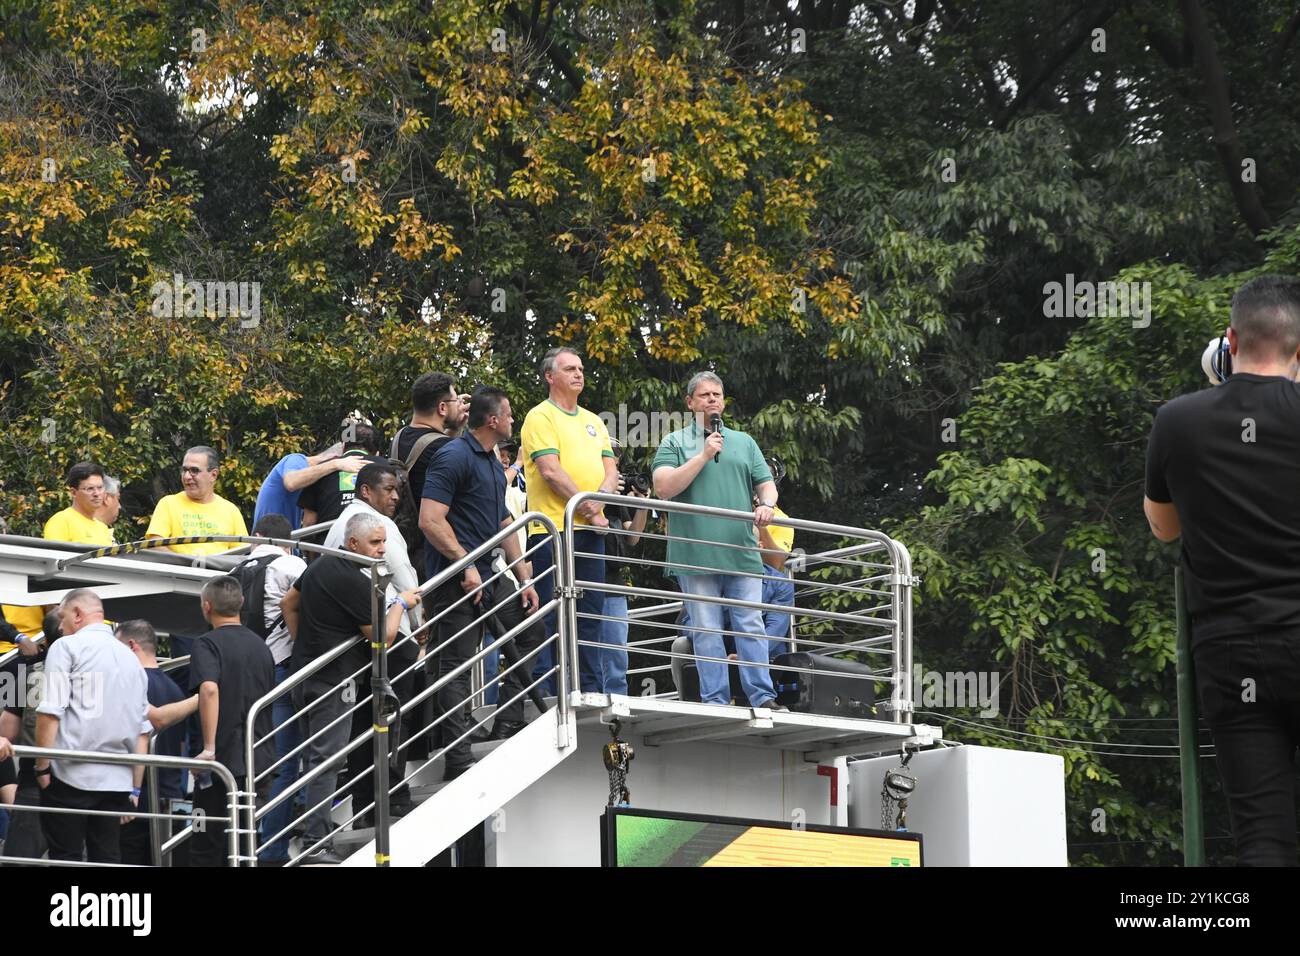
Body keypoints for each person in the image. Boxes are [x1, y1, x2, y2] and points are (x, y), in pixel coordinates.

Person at [1143, 274, 1300, 866]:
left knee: (1263, 840)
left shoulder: (1177, 421)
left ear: (1230, 340)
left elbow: (1164, 528)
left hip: (1232, 651)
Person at [420, 387, 546, 775]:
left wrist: (525, 576)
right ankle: (455, 754)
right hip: (454, 579)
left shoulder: (492, 461)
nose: (513, 421)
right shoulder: (453, 455)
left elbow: (503, 521)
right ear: (493, 420)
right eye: (509, 415)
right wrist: (464, 564)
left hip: (491, 575)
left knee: (531, 629)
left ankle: (507, 719)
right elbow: (430, 519)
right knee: (456, 664)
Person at [281, 512, 419, 864]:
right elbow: (382, 637)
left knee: (310, 761)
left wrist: (304, 646)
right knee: (326, 763)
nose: (382, 550)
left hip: (307, 674)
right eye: (375, 543)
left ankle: (306, 835)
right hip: (334, 683)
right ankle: (317, 842)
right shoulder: (350, 579)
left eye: (384, 542)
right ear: (352, 543)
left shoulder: (320, 565)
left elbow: (288, 604)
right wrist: (401, 603)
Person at [652, 371, 785, 710]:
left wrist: (767, 504)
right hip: (695, 553)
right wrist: (703, 455)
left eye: (717, 395)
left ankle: (763, 697)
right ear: (690, 402)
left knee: (751, 624)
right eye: (704, 395)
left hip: (741, 551)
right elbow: (663, 488)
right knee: (706, 627)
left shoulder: (744, 442)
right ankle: (715, 700)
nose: (712, 400)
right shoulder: (675, 442)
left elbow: (765, 483)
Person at [323, 462, 421, 820]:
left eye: (397, 490)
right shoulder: (377, 526)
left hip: (358, 639)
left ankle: (369, 798)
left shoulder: (340, 525)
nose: (395, 496)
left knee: (368, 721)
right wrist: (419, 621)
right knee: (394, 717)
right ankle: (391, 792)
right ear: (366, 491)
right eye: (387, 489)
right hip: (388, 635)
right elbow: (404, 576)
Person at [521, 347, 619, 695]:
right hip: (553, 531)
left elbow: (611, 470)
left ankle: (588, 689)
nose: (579, 374)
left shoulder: (594, 420)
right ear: (550, 376)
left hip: (590, 532)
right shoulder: (540, 416)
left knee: (590, 614)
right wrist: (589, 507)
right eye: (569, 369)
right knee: (552, 615)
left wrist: (597, 504)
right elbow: (550, 470)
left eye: (580, 368)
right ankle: (548, 694)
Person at [34, 589, 151, 864]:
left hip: (70, 773)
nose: (60, 627)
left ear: (77, 614)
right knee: (108, 856)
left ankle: (69, 908)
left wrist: (42, 766)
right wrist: (134, 787)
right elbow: (141, 729)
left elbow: (51, 711)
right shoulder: (131, 659)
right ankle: (107, 908)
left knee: (66, 856)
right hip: (117, 779)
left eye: (62, 618)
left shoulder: (67, 647)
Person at [188, 576, 276, 867]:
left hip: (223, 757)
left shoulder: (206, 643)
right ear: (241, 603)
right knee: (244, 841)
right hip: (259, 755)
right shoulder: (261, 646)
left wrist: (209, 747)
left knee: (207, 842)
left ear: (206, 607)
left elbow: (209, 689)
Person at [242, 514, 308, 864]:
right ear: (289, 541)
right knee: (287, 761)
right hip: (282, 670)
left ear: (257, 536)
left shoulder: (239, 569)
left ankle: (249, 844)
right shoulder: (291, 563)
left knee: (255, 762)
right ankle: (273, 849)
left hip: (246, 677)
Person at [114, 620, 186, 866]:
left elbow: (138, 737)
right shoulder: (175, 690)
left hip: (133, 802)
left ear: (132, 646)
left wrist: (130, 791)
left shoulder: (131, 683)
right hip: (169, 798)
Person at [599, 439, 649, 696]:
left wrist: (642, 504)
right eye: (608, 454)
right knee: (589, 646)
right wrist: (601, 492)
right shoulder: (585, 485)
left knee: (617, 647)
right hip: (587, 574)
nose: (614, 460)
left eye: (616, 456)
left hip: (614, 579)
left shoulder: (618, 493)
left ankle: (617, 699)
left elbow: (633, 537)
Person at [145, 446, 248, 556]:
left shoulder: (231, 511)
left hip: (218, 572)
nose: (187, 476)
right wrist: (187, 565)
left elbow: (242, 554)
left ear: (213, 475)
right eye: (184, 470)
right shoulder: (168, 504)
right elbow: (154, 545)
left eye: (194, 471)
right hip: (176, 572)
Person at [392, 372, 469, 505]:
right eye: (456, 400)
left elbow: (433, 444)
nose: (459, 404)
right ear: (442, 407)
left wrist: (455, 427)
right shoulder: (446, 448)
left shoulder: (400, 436)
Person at [299, 419, 384, 530]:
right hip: (378, 538)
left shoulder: (320, 471)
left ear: (343, 447)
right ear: (377, 453)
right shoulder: (387, 468)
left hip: (327, 544)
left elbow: (309, 523)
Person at [254, 448, 365, 531]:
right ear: (337, 456)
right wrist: (336, 464)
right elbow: (291, 482)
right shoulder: (296, 459)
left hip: (285, 542)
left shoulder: (313, 483)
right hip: (269, 541)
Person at [45, 461, 115, 545]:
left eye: (100, 488)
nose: (97, 493)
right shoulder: (61, 522)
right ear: (74, 492)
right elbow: (54, 556)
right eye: (90, 489)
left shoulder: (102, 528)